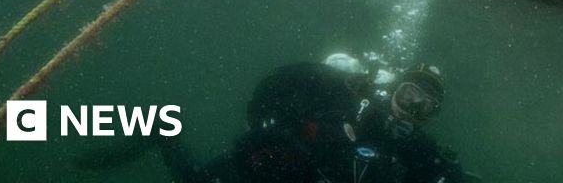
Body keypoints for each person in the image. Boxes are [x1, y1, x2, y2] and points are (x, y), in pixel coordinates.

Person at [159, 58, 472, 183]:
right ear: (393, 89)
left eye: (424, 107)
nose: (412, 109)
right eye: (409, 96)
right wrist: (320, 134)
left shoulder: (416, 145)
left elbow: (448, 174)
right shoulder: (351, 102)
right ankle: (161, 132)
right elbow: (284, 111)